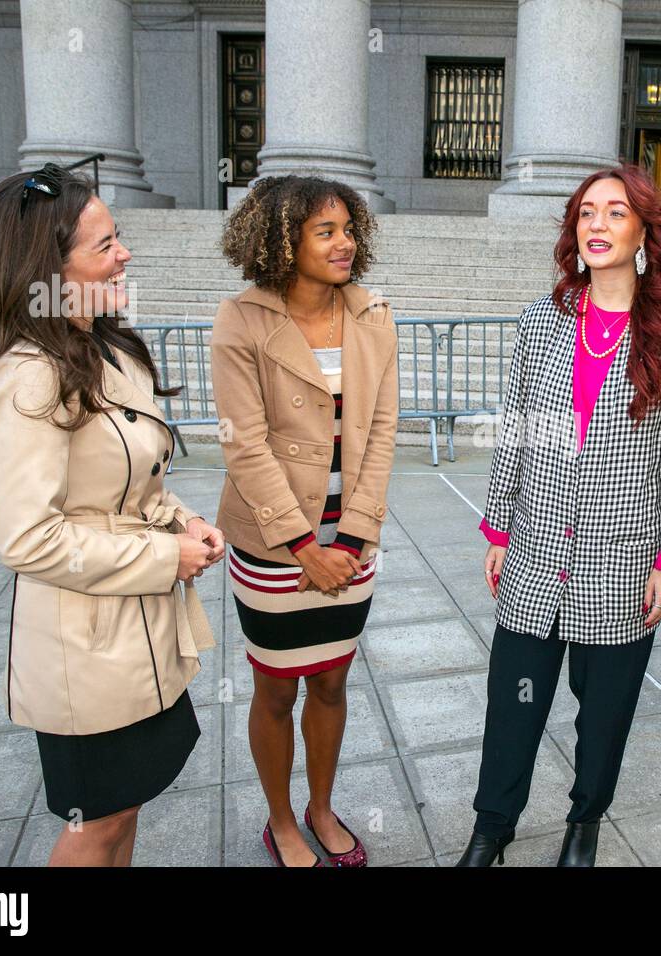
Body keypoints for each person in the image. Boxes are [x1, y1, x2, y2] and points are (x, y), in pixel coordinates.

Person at [0, 164, 222, 866]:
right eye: (103, 245)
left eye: (117, 237)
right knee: (93, 825)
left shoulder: (107, 346)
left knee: (122, 812)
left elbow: (132, 486)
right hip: (84, 652)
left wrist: (182, 522)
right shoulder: (27, 374)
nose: (124, 253)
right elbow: (30, 538)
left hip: (137, 634)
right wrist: (165, 558)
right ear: (46, 269)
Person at [456, 164, 661, 867]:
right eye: (586, 213)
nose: (597, 225)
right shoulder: (543, 320)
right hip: (538, 550)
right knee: (513, 705)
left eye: (615, 213)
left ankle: (584, 825)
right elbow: (515, 429)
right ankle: (492, 827)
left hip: (625, 563)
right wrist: (499, 528)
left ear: (643, 232)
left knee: (604, 717)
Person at [213, 175, 399, 867]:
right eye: (326, 231)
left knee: (331, 680)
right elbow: (243, 440)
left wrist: (349, 537)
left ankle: (322, 808)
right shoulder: (241, 318)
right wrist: (301, 546)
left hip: (351, 543)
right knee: (275, 686)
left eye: (349, 228)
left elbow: (382, 430)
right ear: (281, 240)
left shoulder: (374, 313)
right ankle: (281, 820)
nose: (345, 241)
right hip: (271, 546)